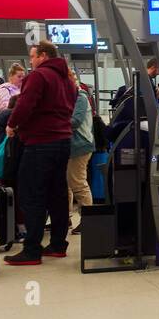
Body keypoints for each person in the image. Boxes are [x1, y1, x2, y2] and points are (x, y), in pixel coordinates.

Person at [4, 41, 75, 266]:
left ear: (43, 56)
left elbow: (25, 105)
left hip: (40, 142)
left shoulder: (39, 76)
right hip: (63, 140)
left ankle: (32, 250)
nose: (31, 61)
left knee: (32, 195)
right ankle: (57, 244)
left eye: (32, 56)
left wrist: (12, 124)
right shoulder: (67, 78)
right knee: (58, 194)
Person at [66, 68, 94, 235]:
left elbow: (75, 121)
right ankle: (65, 218)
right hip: (70, 146)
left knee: (78, 183)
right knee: (65, 184)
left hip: (80, 146)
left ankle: (88, 220)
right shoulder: (69, 96)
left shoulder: (81, 97)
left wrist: (53, 121)